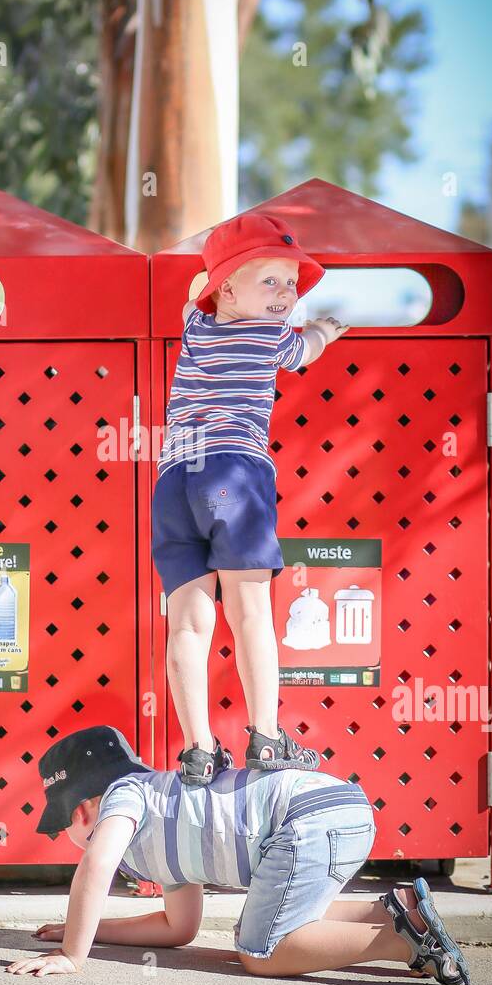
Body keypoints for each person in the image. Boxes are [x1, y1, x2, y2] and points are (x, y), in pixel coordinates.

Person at [5, 726, 470, 985]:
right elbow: (177, 928)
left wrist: (73, 954)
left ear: (81, 811)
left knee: (260, 952)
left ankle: (401, 942)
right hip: (336, 808)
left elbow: (96, 865)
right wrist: (88, 928)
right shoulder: (166, 824)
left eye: (61, 825)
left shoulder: (126, 796)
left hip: (305, 819)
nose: (70, 836)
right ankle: (395, 911)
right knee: (271, 920)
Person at [152, 209, 349, 783]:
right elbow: (304, 351)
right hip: (234, 472)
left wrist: (214, 276)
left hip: (174, 481)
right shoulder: (270, 336)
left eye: (291, 283)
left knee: (188, 625)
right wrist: (326, 329)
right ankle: (265, 736)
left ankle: (198, 750)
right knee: (250, 612)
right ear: (229, 289)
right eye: (272, 281)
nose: (286, 294)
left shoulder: (196, 325)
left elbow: (193, 297)